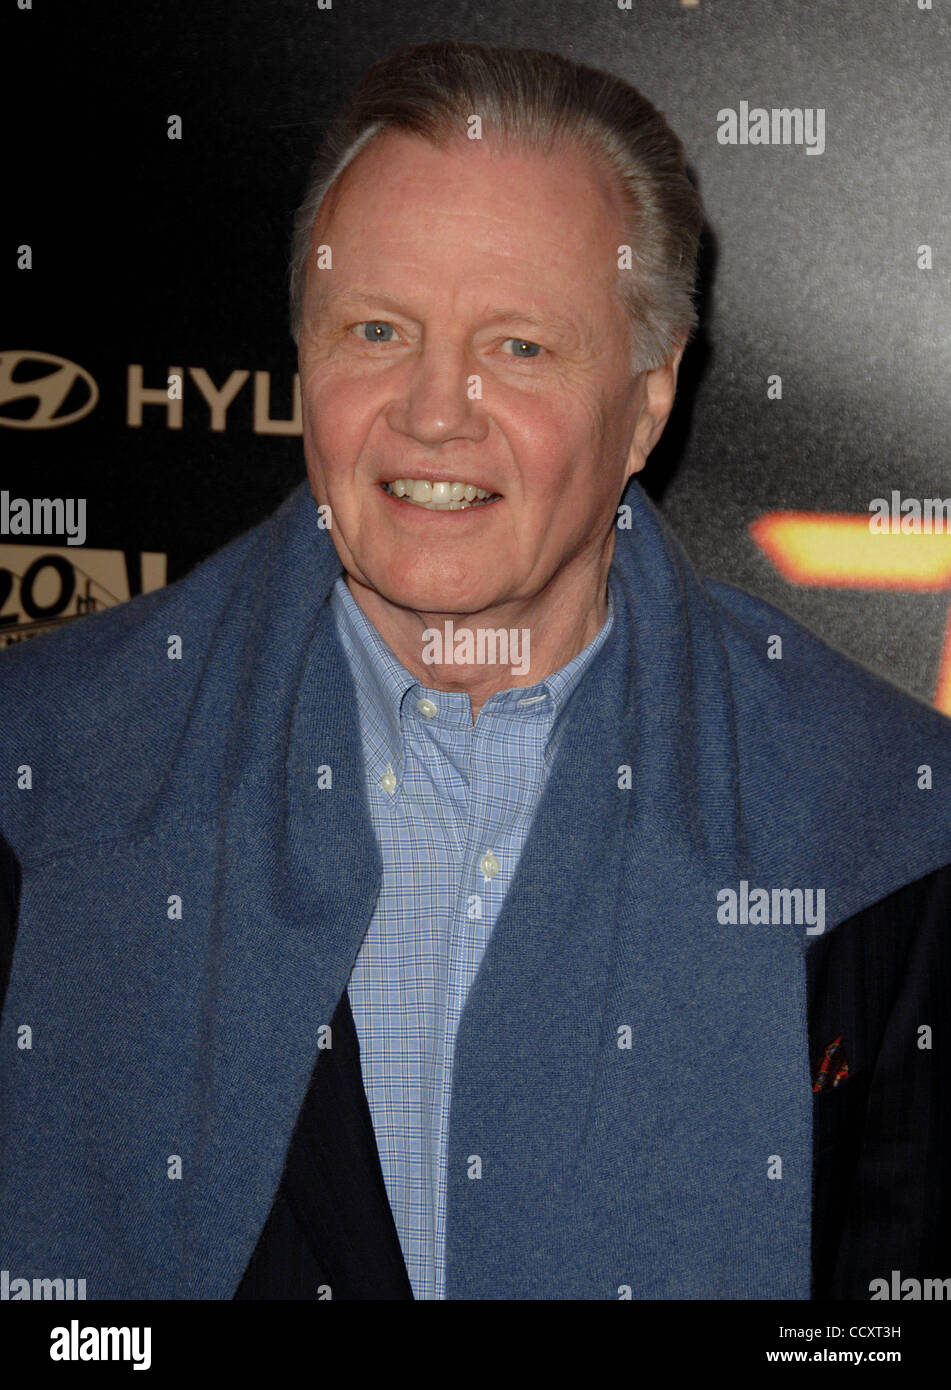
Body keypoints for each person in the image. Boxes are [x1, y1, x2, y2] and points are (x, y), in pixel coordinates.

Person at [1, 40, 949, 1302]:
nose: (433, 411)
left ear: (650, 400)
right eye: (378, 329)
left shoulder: (890, 833)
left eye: (519, 347)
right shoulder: (41, 776)